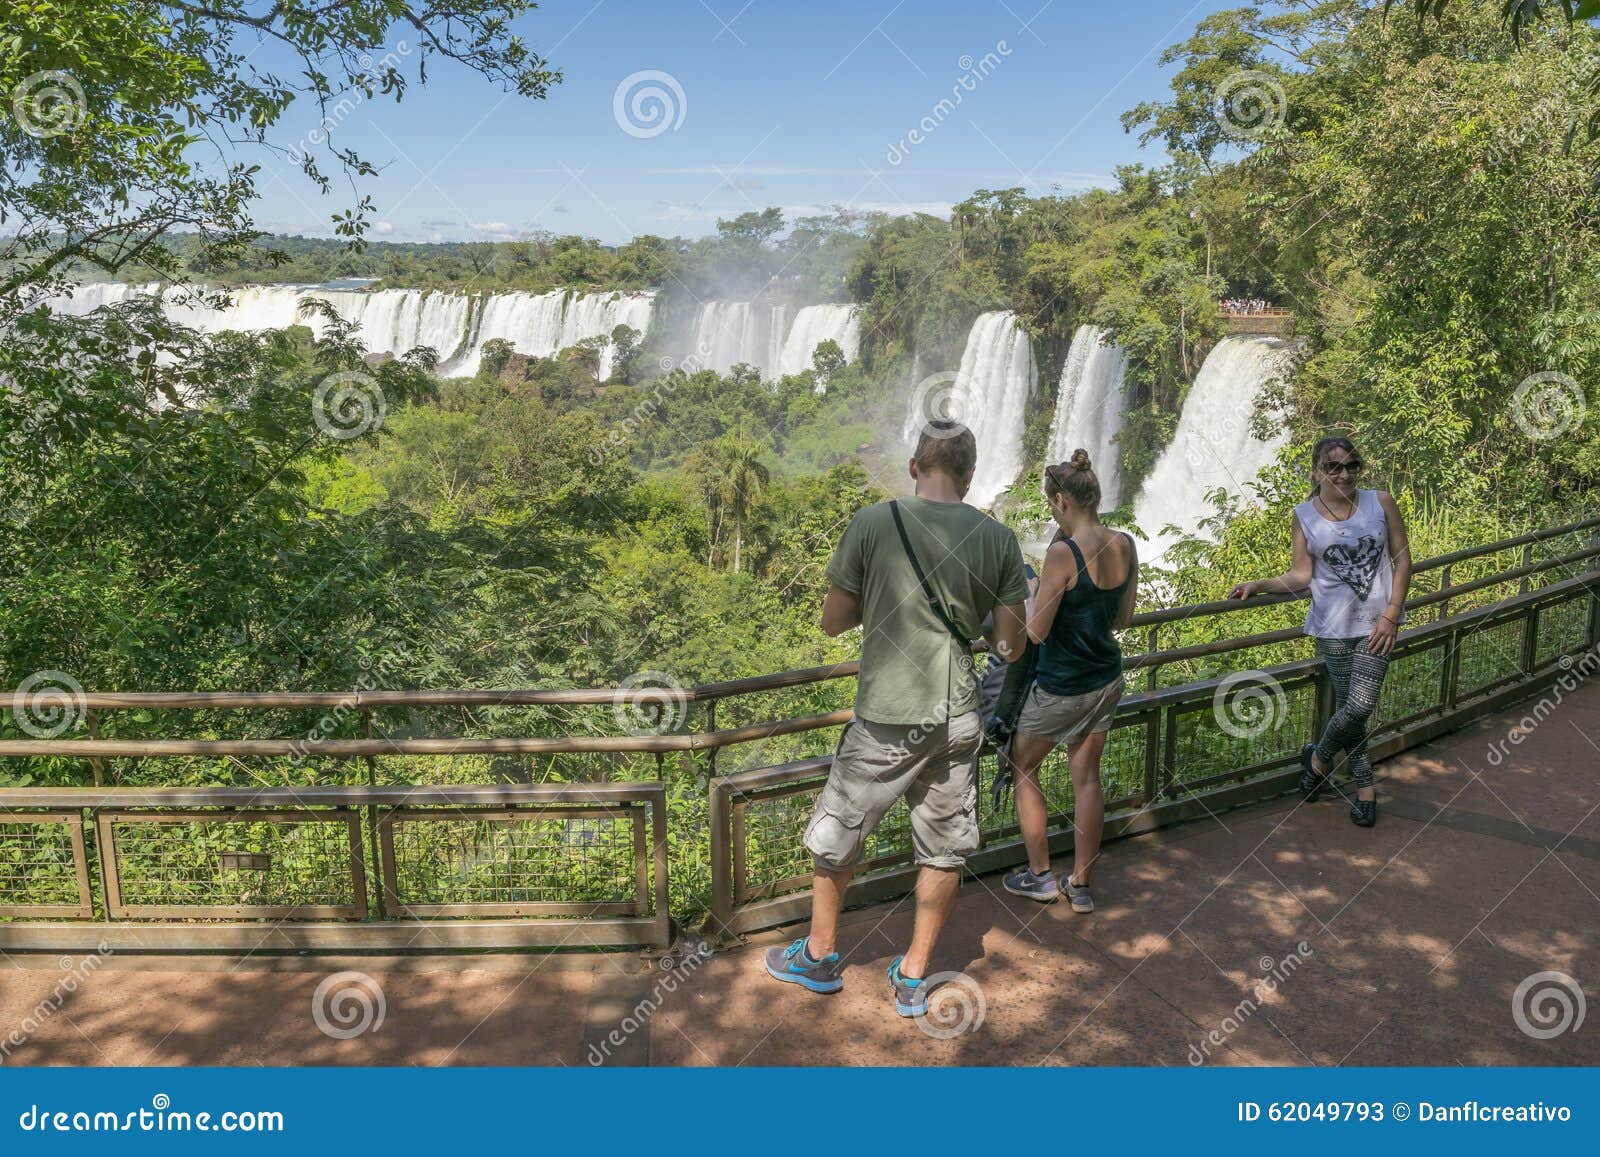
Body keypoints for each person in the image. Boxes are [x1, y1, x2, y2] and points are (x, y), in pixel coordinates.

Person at [763, 421, 1029, 1018]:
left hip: (887, 713)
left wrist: (887, 597)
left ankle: (821, 956)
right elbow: (1010, 645)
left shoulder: (872, 523)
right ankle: (912, 976)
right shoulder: (999, 538)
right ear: (970, 475)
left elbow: (833, 621)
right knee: (943, 847)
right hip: (958, 714)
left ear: (914, 466)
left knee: (839, 830)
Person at [1227, 436, 1412, 827]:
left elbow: (1402, 557)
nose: (1344, 474)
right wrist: (1258, 585)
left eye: (1351, 465)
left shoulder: (1380, 502)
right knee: (1352, 709)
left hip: (1377, 624)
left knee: (1360, 706)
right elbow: (1301, 575)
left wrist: (1393, 614)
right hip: (1332, 626)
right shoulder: (1304, 515)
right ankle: (1365, 790)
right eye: (1334, 467)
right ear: (1318, 471)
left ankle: (1317, 759)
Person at [999, 450, 1137, 912]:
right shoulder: (1125, 543)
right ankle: (1080, 885)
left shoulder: (1062, 552)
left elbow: (1035, 631)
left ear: (1062, 499)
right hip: (1106, 679)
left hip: (1061, 684)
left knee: (1023, 766)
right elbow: (1123, 618)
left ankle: (1039, 875)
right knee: (1087, 779)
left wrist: (1036, 589)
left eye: (1050, 503)